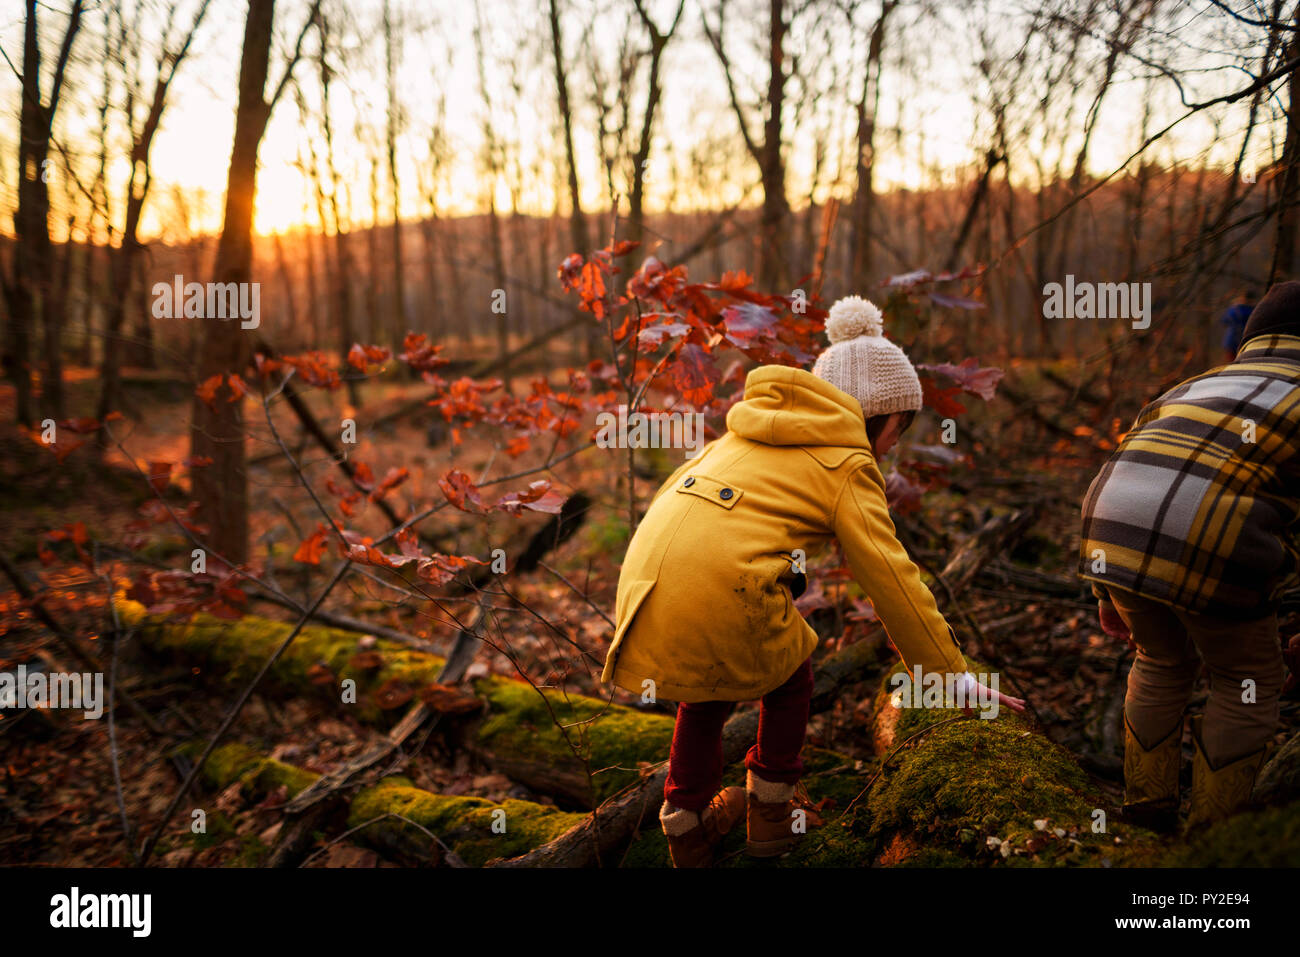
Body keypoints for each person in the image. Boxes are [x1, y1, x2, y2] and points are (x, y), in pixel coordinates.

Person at [601, 295, 1024, 867]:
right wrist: (950, 675)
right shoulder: (847, 464)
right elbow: (892, 579)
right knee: (793, 678)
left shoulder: (745, 435)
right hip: (719, 589)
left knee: (704, 698)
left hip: (646, 588)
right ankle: (771, 811)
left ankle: (686, 828)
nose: (898, 440)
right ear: (879, 416)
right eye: (901, 423)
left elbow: (733, 521)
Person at [1080, 280, 1300, 832]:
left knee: (1159, 660)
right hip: (1216, 544)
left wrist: (1106, 590)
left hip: (1111, 529)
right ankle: (1212, 838)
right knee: (1243, 679)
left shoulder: (1193, 385)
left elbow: (1125, 461)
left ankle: (1145, 811)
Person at [1217, 289, 1257, 362]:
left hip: (1231, 341)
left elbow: (1224, 321)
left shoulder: (1234, 309)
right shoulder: (1254, 310)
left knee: (1230, 365)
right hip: (1247, 342)